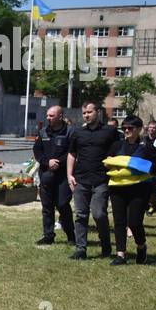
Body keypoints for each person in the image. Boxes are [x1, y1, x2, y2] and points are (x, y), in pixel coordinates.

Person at [66, 100, 121, 260]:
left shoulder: (110, 131)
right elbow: (72, 154)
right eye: (84, 113)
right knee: (81, 215)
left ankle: (105, 244)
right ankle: (81, 249)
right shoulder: (77, 132)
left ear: (98, 112)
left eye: (89, 112)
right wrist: (70, 175)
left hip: (101, 180)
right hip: (81, 180)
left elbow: (117, 153)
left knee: (98, 214)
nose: (86, 115)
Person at [107, 115, 156, 265]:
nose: (126, 130)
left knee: (134, 222)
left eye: (130, 128)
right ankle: (120, 255)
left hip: (139, 189)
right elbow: (107, 162)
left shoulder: (147, 147)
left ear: (139, 129)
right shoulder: (116, 146)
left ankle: (141, 246)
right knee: (119, 221)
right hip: (117, 188)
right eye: (124, 127)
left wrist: (138, 167)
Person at [32, 105, 74, 246]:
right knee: (47, 207)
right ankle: (48, 235)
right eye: (48, 115)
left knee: (62, 205)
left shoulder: (69, 132)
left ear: (60, 116)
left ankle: (71, 235)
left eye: (51, 116)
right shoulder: (43, 132)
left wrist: (59, 162)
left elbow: (72, 151)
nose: (48, 118)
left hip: (62, 175)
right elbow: (37, 151)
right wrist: (47, 162)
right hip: (46, 174)